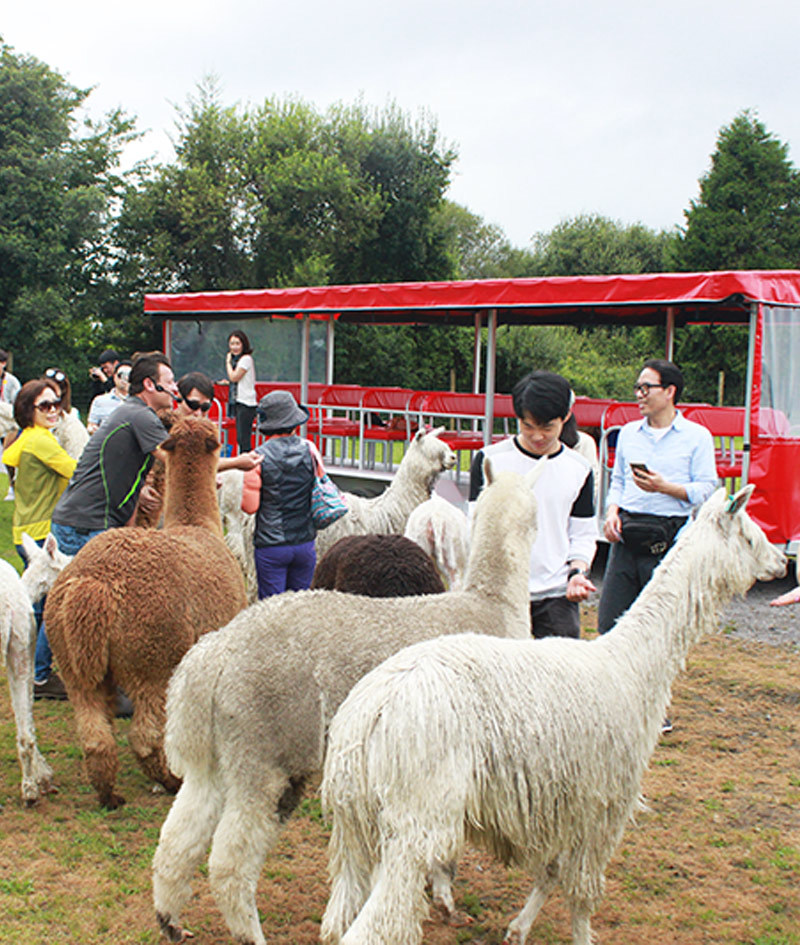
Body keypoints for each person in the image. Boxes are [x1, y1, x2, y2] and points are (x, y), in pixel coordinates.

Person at [469, 370, 597, 639]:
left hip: (555, 596)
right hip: (498, 597)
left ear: (564, 418)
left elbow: (583, 532)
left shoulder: (579, 469)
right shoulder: (489, 461)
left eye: (547, 427)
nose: (537, 436)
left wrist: (578, 571)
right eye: (528, 426)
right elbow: (475, 527)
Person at [597, 359, 717, 636]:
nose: (639, 394)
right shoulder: (628, 433)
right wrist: (612, 511)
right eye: (637, 387)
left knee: (659, 629)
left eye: (646, 387)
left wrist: (666, 488)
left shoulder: (697, 437)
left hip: (669, 539)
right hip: (626, 535)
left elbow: (707, 488)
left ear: (669, 391)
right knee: (610, 625)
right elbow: (618, 481)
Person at [50, 353, 178, 556]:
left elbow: (131, 481)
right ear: (150, 385)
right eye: (170, 382)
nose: (175, 388)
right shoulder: (141, 416)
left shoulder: (135, 412)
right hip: (84, 528)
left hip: (87, 524)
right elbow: (181, 461)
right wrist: (237, 463)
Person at [3, 378, 77, 699]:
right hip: (42, 534)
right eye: (44, 405)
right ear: (27, 409)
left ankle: (28, 667)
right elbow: (78, 470)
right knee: (51, 607)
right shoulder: (42, 442)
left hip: (24, 531)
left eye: (56, 403)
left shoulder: (24, 439)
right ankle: (40, 676)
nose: (53, 410)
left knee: (33, 606)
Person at [252, 390, 318, 598]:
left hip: (272, 546)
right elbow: (322, 487)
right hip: (305, 544)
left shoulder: (257, 458)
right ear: (295, 423)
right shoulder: (310, 450)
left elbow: (250, 506)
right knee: (298, 611)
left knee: (272, 612)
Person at [224, 330, 257, 454]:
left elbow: (234, 377)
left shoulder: (246, 359)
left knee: (244, 439)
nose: (234, 347)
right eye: (232, 344)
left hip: (246, 403)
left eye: (237, 343)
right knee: (241, 438)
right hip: (239, 401)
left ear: (243, 344)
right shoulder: (238, 361)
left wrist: (227, 362)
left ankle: (248, 465)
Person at [87, 360, 131, 433]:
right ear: (114, 376)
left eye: (129, 375)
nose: (125, 378)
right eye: (121, 375)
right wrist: (93, 429)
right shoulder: (100, 401)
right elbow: (91, 425)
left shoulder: (141, 401)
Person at [1, 348, 22, 500]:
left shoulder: (12, 381)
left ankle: (12, 486)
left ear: (3, 363)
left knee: (8, 454)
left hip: (10, 423)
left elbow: (18, 405)